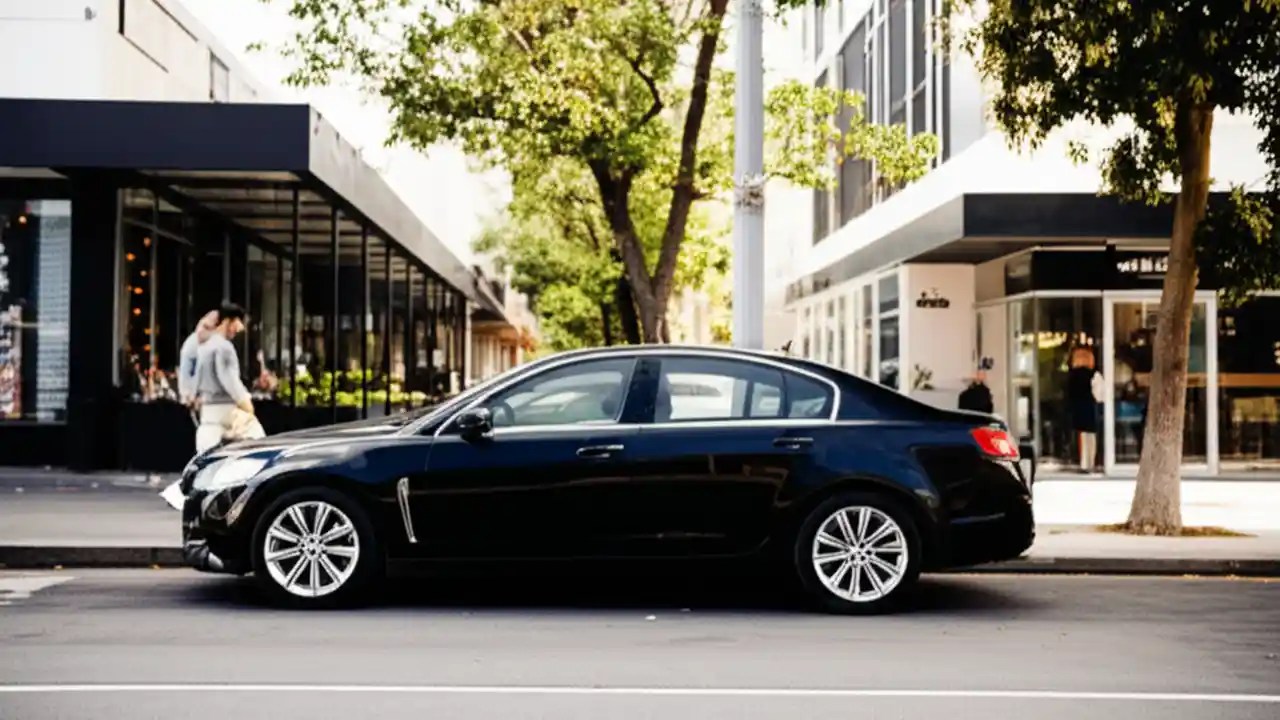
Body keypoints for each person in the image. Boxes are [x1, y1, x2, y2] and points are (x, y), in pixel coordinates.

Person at [194, 302, 256, 454]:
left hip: (207, 416)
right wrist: (246, 403)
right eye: (238, 323)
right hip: (227, 412)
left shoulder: (203, 347)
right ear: (228, 321)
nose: (240, 329)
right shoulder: (225, 347)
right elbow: (230, 380)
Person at [1067, 346, 1104, 472]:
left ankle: (1081, 461)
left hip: (1076, 408)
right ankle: (1089, 462)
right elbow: (1100, 395)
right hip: (1090, 407)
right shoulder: (1094, 374)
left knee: (1080, 435)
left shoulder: (1072, 375)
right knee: (1090, 437)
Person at [177, 310, 219, 413]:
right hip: (194, 403)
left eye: (207, 328)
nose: (201, 331)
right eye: (202, 326)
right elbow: (186, 374)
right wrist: (188, 396)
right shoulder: (191, 346)